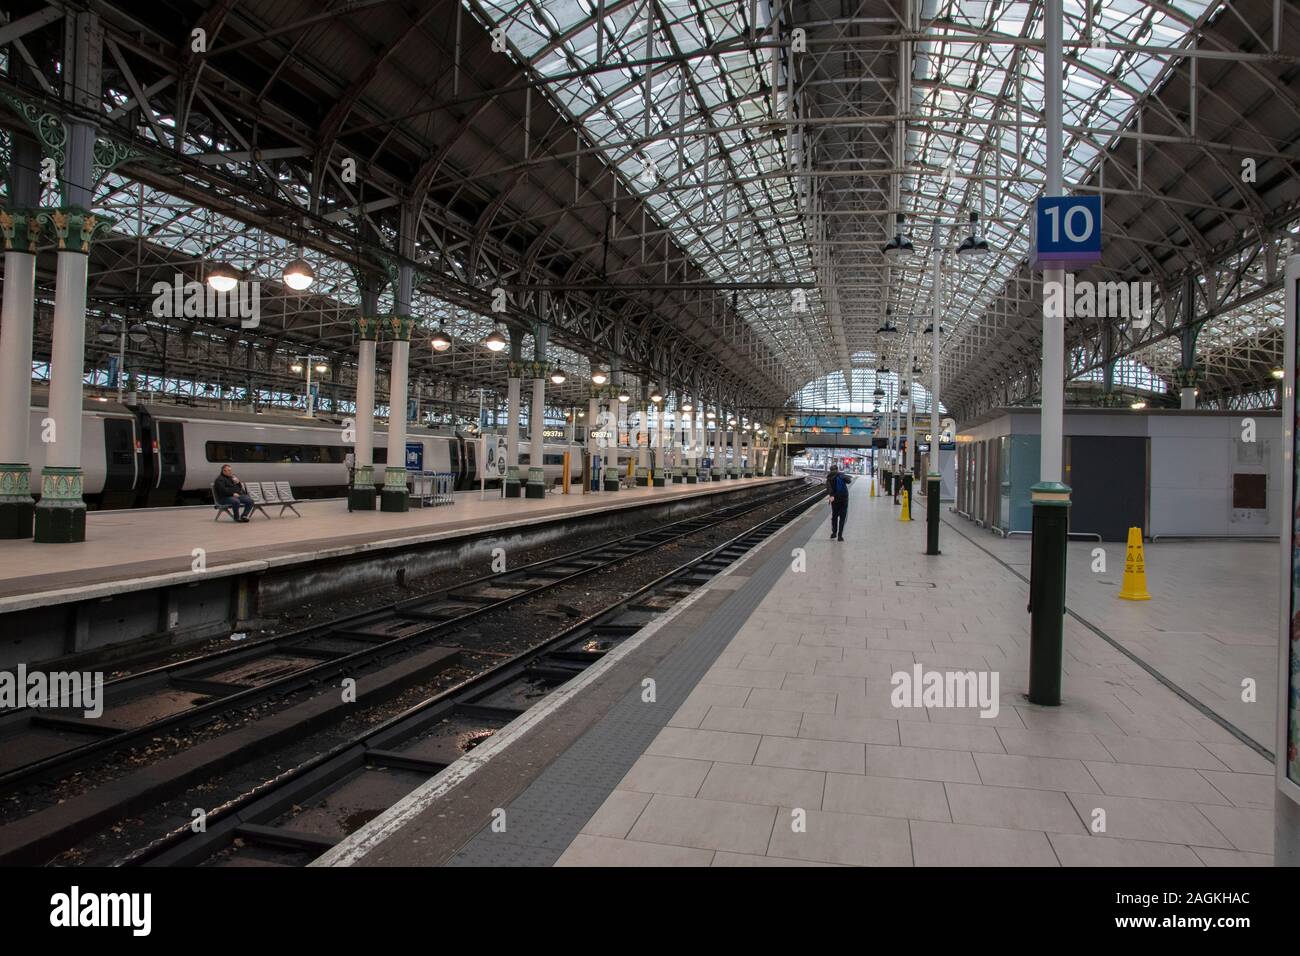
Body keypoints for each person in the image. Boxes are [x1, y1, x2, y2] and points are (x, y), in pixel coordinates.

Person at [825, 464, 851, 541]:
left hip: (835, 499)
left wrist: (831, 495)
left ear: (830, 470)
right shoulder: (841, 475)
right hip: (844, 498)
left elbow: (829, 489)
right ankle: (840, 535)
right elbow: (849, 481)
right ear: (837, 469)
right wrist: (842, 475)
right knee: (842, 517)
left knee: (834, 516)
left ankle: (834, 533)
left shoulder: (829, 478)